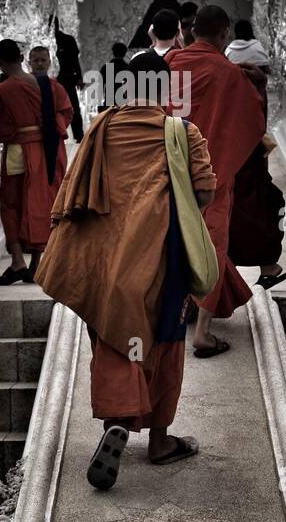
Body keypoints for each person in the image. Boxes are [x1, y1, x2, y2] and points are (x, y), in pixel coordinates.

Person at [36, 51, 217, 488]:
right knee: (167, 342)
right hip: (163, 257)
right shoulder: (181, 132)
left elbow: (72, 190)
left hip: (101, 260)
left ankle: (116, 422)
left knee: (114, 333)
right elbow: (205, 191)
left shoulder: (101, 127)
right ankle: (158, 440)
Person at [167, 5, 267, 355]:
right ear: (225, 34)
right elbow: (255, 124)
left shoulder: (171, 64)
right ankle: (203, 333)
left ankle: (173, 315)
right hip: (212, 177)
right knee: (211, 246)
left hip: (170, 176)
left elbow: (153, 111)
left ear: (193, 31)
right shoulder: (231, 74)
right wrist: (258, 84)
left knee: (173, 243)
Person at [0, 39, 72, 284]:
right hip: (45, 150)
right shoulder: (51, 86)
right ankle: (35, 265)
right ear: (23, 59)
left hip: (17, 150)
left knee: (12, 204)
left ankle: (17, 261)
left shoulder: (3, 91)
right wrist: (48, 129)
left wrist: (19, 133)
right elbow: (67, 112)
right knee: (39, 203)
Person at [224, 25, 286, 289]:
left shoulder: (227, 61)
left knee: (243, 208)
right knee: (258, 205)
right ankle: (265, 266)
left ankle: (235, 269)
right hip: (249, 149)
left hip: (236, 151)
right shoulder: (258, 75)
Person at [53, 17, 85, 142]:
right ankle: (76, 135)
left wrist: (79, 77)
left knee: (72, 107)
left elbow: (74, 60)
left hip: (66, 78)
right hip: (60, 78)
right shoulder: (63, 40)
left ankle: (79, 135)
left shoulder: (66, 40)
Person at [100, 41, 131, 108]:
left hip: (109, 102)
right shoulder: (128, 68)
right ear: (125, 53)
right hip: (124, 103)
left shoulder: (106, 68)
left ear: (113, 52)